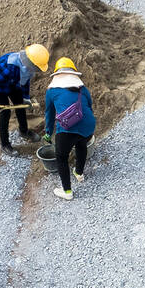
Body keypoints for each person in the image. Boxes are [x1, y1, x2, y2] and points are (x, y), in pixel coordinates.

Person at [43, 57, 96, 201]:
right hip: (88, 126)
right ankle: (79, 173)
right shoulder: (82, 88)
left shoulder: (51, 91)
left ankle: (67, 191)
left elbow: (49, 113)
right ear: (73, 73)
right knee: (81, 145)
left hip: (67, 129)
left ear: (56, 75)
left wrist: (48, 132)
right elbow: (90, 106)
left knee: (61, 157)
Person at [0, 44, 50, 152]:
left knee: (20, 105)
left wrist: (26, 97)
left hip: (12, 84)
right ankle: (5, 144)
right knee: (5, 114)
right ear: (31, 63)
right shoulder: (8, 66)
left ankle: (24, 131)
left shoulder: (28, 68)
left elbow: (25, 82)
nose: (37, 69)